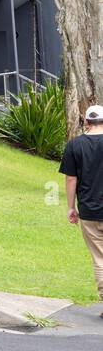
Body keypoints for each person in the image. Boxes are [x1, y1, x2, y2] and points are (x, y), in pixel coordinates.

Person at [61, 104, 103, 312]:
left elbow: (70, 179)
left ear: (86, 122)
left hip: (89, 211)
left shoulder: (75, 146)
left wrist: (71, 207)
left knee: (99, 257)